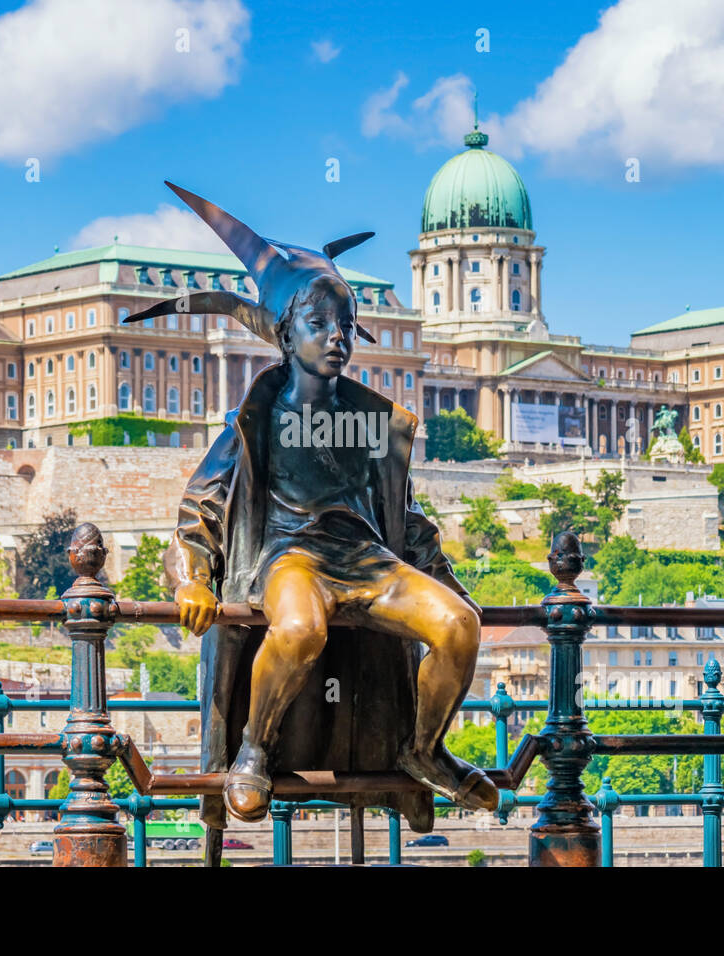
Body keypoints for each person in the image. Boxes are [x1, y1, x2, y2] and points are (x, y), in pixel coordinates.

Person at [123, 183, 498, 829]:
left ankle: (424, 751)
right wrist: (192, 577)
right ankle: (254, 752)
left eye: (345, 326)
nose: (337, 339)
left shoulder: (370, 420)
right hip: (290, 557)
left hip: (369, 561)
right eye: (318, 325)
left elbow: (403, 517)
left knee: (459, 626)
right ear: (285, 334)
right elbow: (199, 510)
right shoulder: (259, 419)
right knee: (298, 630)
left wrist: (443, 578)